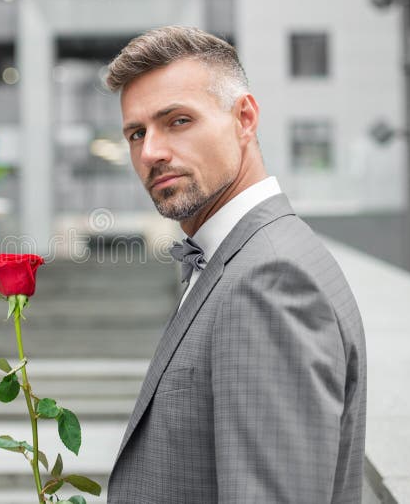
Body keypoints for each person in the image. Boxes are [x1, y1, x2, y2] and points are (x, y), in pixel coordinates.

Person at [104, 26, 367, 503]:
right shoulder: (245, 256)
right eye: (136, 133)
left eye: (178, 120)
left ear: (244, 118)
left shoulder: (270, 280)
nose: (150, 153)